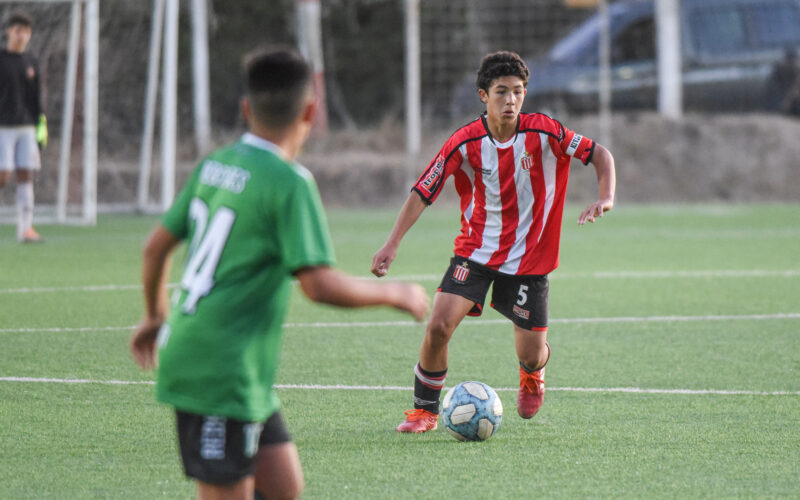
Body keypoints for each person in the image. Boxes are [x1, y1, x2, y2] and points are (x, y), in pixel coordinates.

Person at [130, 47, 429, 500]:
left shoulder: (217, 163)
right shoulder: (290, 182)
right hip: (217, 369)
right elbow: (318, 284)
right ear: (311, 110)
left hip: (241, 370)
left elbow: (155, 248)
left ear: (247, 108)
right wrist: (395, 294)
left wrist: (155, 315)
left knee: (283, 487)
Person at [371, 51, 616, 433]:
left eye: (518, 92)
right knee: (438, 326)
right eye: (501, 92)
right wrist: (392, 243)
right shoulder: (463, 142)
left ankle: (533, 373)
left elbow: (600, 154)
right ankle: (424, 411)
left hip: (530, 260)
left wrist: (606, 196)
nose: (511, 100)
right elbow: (423, 190)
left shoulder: (545, 131)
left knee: (531, 355)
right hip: (476, 251)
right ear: (483, 96)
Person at [0, 12, 47, 243]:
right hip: (3, 127)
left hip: (27, 127)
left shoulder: (31, 62)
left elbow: (36, 99)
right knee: (3, 174)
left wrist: (40, 128)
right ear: (9, 31)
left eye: (26, 32)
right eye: (18, 30)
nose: (22, 36)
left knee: (26, 175)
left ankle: (25, 229)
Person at [764, 46, 800, 116]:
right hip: (778, 102)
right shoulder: (777, 72)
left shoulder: (796, 71)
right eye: (790, 61)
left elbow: (795, 89)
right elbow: (773, 90)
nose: (792, 63)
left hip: (792, 102)